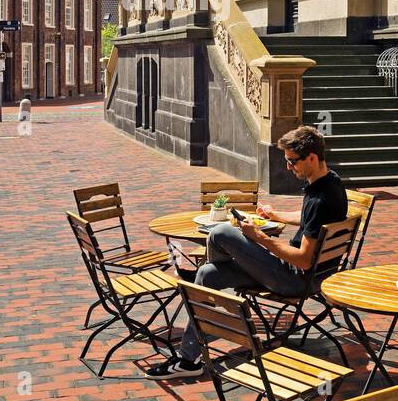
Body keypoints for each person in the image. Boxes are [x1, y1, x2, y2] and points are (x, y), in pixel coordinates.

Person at [145, 125, 348, 380]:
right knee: (208, 274)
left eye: (292, 162)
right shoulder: (331, 183)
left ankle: (231, 311)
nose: (288, 167)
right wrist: (276, 215)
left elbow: (304, 260)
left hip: (295, 279)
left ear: (312, 158)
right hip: (310, 274)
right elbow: (311, 222)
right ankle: (190, 358)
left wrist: (258, 238)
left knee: (220, 233)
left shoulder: (320, 199)